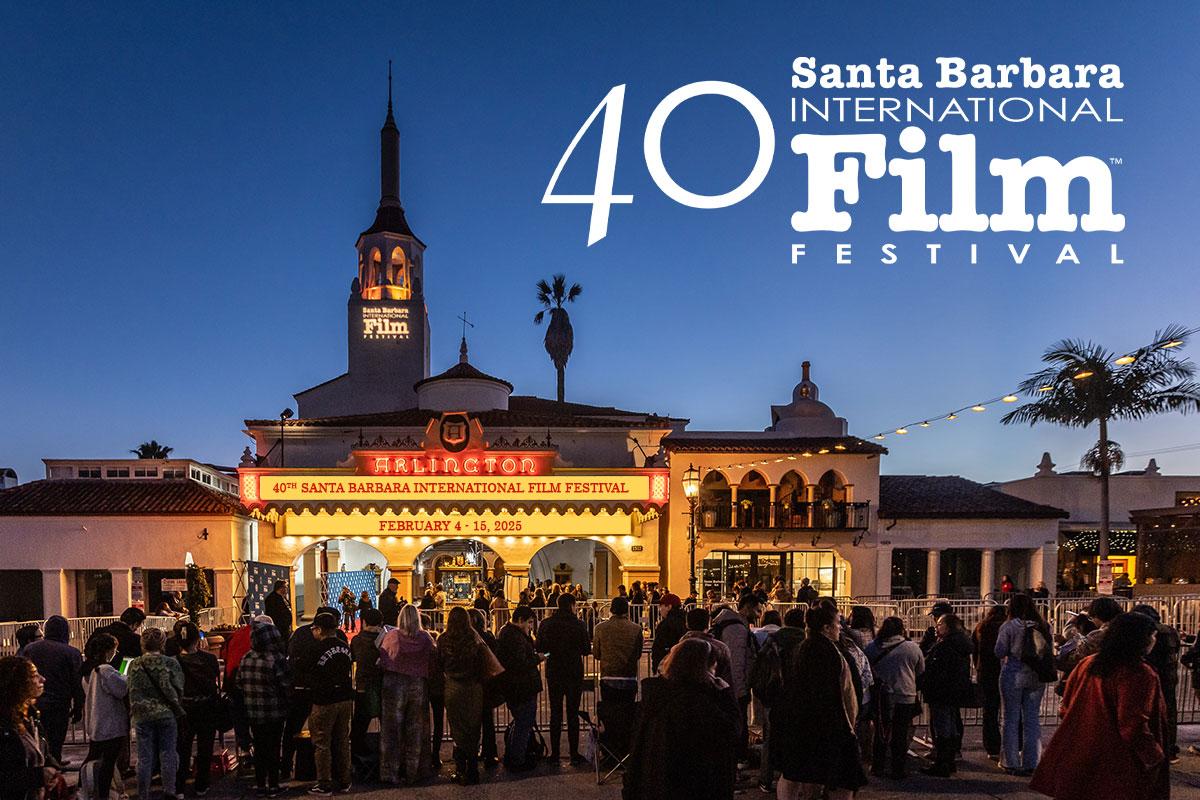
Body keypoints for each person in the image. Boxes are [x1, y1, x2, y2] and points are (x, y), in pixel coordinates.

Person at [1030, 612, 1169, 800]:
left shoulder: (1088, 663)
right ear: (1139, 639)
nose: (1154, 640)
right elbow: (1132, 725)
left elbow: (1066, 706)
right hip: (1117, 762)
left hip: (1081, 750)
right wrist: (1154, 755)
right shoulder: (1138, 673)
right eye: (1152, 636)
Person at [623, 639, 738, 800]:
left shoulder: (655, 697)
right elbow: (731, 733)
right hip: (691, 786)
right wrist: (726, 694)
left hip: (655, 783)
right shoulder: (701, 704)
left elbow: (638, 746)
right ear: (705, 667)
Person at [772, 606, 866, 800]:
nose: (840, 627)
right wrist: (848, 727)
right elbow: (841, 695)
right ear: (826, 628)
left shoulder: (799, 650)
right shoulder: (831, 654)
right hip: (830, 726)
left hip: (796, 724)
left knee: (795, 775)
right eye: (837, 623)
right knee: (844, 779)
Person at [438, 607, 502, 785]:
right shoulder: (475, 640)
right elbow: (486, 664)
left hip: (453, 687)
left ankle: (460, 769)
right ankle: (473, 769)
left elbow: (439, 663)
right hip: (473, 687)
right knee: (473, 730)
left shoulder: (443, 640)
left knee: (457, 730)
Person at [994, 593, 1054, 775]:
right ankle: (1032, 761)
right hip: (1036, 676)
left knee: (1010, 718)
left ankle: (1010, 761)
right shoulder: (1043, 625)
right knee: (1032, 719)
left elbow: (999, 651)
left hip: (1013, 673)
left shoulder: (1009, 626)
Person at [376, 604, 434, 785]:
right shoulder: (425, 638)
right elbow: (433, 656)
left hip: (393, 685)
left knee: (391, 730)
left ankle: (390, 772)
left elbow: (383, 658)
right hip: (418, 684)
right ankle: (414, 771)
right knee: (416, 729)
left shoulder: (392, 636)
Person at [127, 627, 184, 800]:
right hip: (166, 714)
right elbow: (179, 687)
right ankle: (169, 791)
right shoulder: (170, 663)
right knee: (168, 753)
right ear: (162, 643)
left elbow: (128, 685)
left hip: (142, 715)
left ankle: (143, 793)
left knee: (144, 757)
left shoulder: (133, 663)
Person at [865, 616, 924, 779]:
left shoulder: (872, 648)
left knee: (880, 731)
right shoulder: (912, 647)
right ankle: (898, 768)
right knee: (900, 732)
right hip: (906, 694)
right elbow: (920, 669)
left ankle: (878, 766)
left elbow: (867, 669)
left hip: (882, 695)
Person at [536, 592, 591, 764]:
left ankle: (555, 754)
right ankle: (574, 754)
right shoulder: (579, 624)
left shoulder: (546, 624)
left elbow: (540, 648)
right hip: (574, 671)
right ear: (572, 605)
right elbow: (586, 650)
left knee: (556, 713)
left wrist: (551, 653)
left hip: (554, 671)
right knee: (573, 713)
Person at [20, 615, 83, 765]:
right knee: (57, 735)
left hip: (35, 700)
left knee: (39, 734)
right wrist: (79, 705)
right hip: (60, 701)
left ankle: (44, 761)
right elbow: (76, 681)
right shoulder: (71, 652)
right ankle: (54, 761)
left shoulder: (30, 649)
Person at [237, 620, 290, 798]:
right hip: (274, 711)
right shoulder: (276, 659)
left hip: (253, 711)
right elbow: (285, 684)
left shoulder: (246, 658)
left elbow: (239, 682)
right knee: (274, 747)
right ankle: (273, 784)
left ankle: (260, 784)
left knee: (259, 747)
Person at [919, 613, 974, 777]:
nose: (937, 626)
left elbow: (932, 665)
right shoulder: (959, 643)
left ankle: (942, 763)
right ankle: (948, 761)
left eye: (940, 624)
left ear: (948, 626)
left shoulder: (946, 645)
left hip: (942, 690)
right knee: (949, 726)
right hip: (953, 690)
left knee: (942, 726)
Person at [0, 656, 60, 800]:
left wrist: (52, 767)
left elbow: (42, 750)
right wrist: (39, 776)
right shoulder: (4, 724)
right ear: (16, 684)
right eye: (34, 675)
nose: (42, 679)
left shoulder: (31, 715)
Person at [307, 613, 354, 795]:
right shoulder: (344, 647)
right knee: (342, 740)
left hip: (324, 700)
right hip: (344, 698)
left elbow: (308, 672)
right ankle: (344, 780)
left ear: (319, 629)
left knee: (321, 742)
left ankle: (324, 782)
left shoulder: (315, 649)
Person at [591, 597, 644, 760]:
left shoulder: (600, 628)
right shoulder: (636, 629)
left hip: (608, 678)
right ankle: (625, 751)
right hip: (629, 678)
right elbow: (638, 654)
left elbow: (596, 654)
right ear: (627, 610)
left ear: (611, 610)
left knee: (610, 716)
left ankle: (609, 751)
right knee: (627, 716)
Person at [174, 622, 220, 797]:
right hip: (206, 706)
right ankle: (202, 783)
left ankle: (180, 785)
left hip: (184, 708)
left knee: (182, 748)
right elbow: (215, 678)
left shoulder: (174, 661)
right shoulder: (209, 659)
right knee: (205, 746)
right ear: (197, 640)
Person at [712, 595, 760, 760]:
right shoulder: (737, 629)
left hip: (727, 684)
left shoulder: (732, 625)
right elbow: (737, 662)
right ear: (747, 607)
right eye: (756, 609)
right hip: (733, 686)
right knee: (737, 724)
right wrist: (741, 690)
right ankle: (737, 760)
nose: (759, 614)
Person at [81, 633, 128, 800]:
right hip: (110, 723)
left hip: (95, 722)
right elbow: (122, 689)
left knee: (94, 757)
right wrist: (125, 675)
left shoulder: (88, 670)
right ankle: (103, 794)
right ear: (108, 651)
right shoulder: (105, 670)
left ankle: (86, 790)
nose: (115, 653)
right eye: (114, 650)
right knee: (108, 763)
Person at [1132, 605, 1181, 762]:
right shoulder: (1170, 631)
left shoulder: (1144, 630)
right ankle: (1170, 748)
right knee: (1169, 712)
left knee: (1149, 713)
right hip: (1169, 676)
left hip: (1153, 674)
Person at [496, 606, 542, 771]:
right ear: (521, 620)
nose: (530, 626)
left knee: (521, 722)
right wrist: (538, 658)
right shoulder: (514, 637)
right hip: (521, 687)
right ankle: (516, 759)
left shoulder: (508, 633)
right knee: (523, 723)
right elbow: (520, 663)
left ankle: (515, 756)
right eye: (529, 622)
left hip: (518, 686)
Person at [349, 608, 383, 781]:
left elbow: (353, 658)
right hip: (382, 686)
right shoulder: (385, 640)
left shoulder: (357, 640)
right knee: (386, 722)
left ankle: (356, 759)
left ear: (364, 622)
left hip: (363, 686)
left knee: (359, 725)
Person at [973, 604, 1008, 762]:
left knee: (989, 711)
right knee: (1011, 711)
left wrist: (977, 666)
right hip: (1004, 670)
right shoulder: (1006, 627)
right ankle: (1012, 746)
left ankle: (992, 747)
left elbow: (974, 650)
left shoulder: (981, 627)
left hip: (986, 671)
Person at [469, 610, 502, 769]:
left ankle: (472, 753)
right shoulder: (488, 637)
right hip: (487, 683)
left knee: (471, 722)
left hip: (472, 684)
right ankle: (490, 752)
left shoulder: (465, 639)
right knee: (487, 719)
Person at [650, 593, 685, 675]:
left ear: (669, 607)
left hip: (668, 666)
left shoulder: (665, 625)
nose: (659, 610)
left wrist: (656, 666)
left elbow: (658, 648)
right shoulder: (686, 621)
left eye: (661, 606)